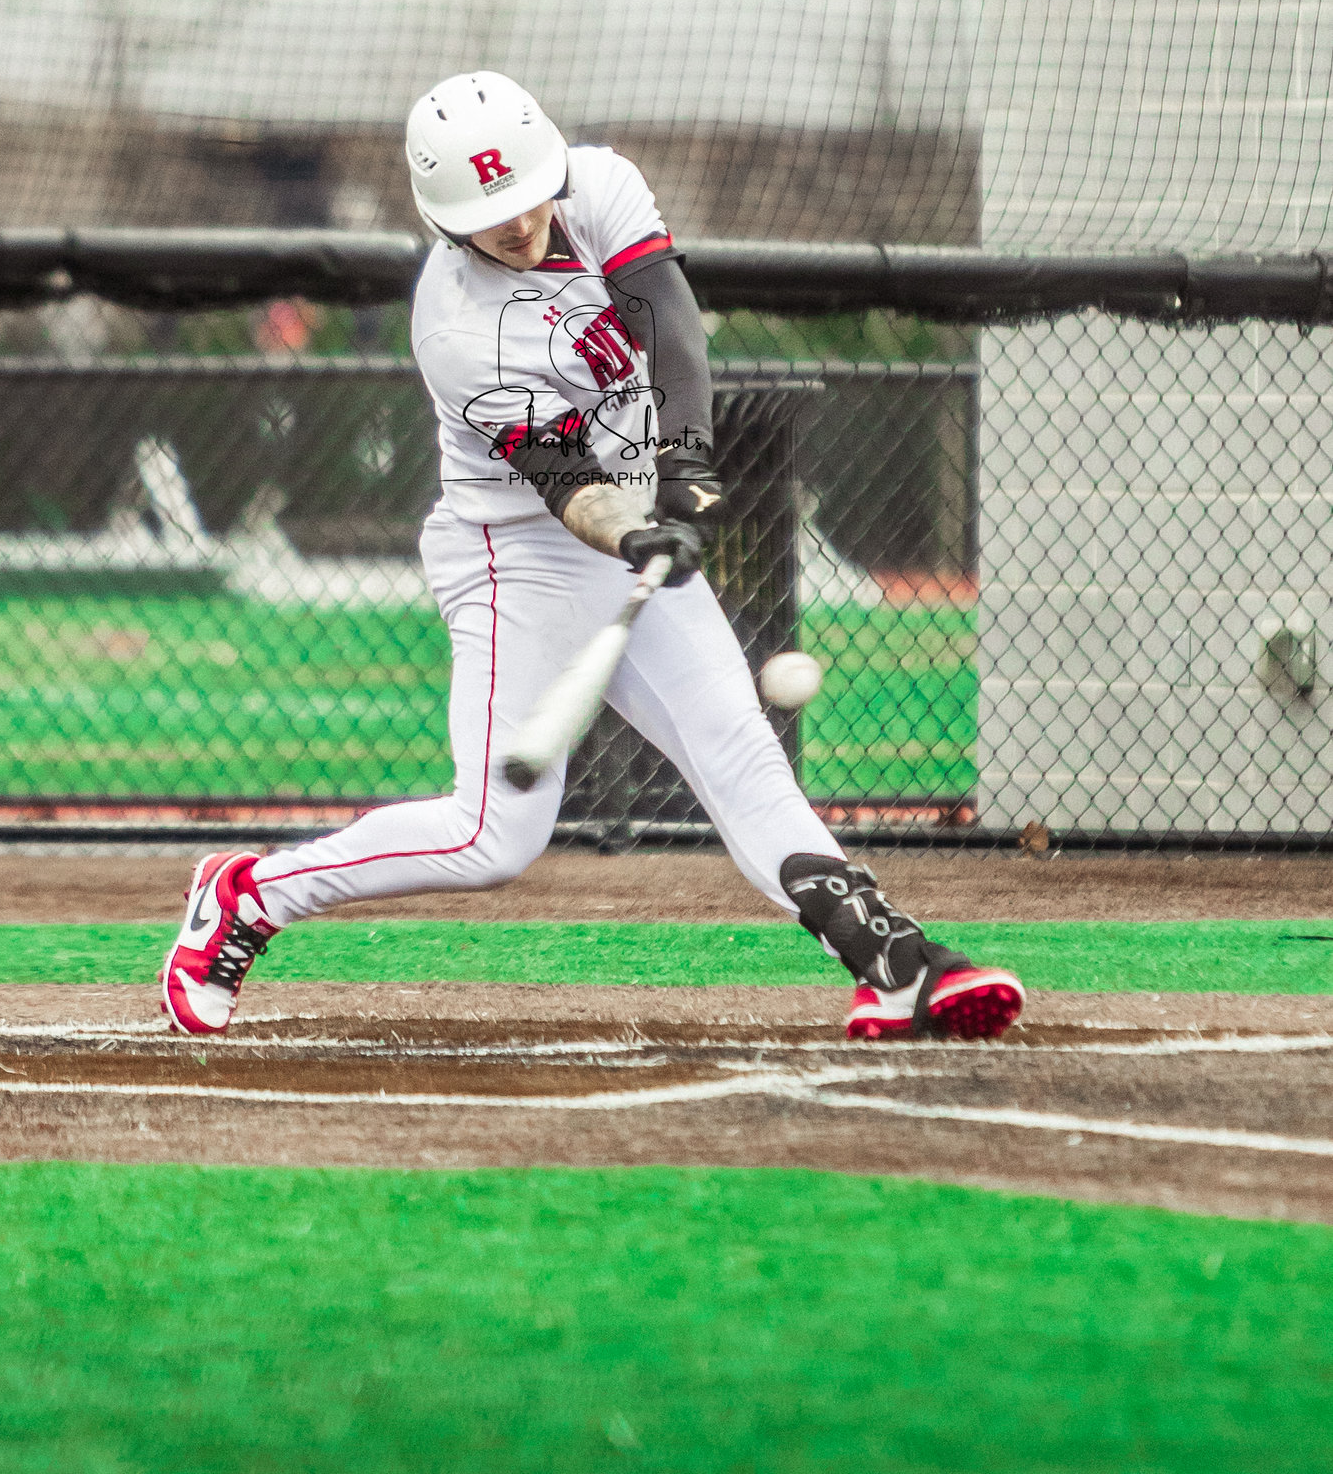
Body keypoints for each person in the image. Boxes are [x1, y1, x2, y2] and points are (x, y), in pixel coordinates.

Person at [162, 71, 1023, 1045]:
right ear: (447, 221)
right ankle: (248, 894)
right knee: (494, 836)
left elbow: (668, 320)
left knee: (739, 746)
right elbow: (564, 480)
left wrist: (688, 461)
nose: (520, 224)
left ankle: (892, 961)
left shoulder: (602, 185)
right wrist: (638, 531)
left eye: (527, 197)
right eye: (492, 216)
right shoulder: (455, 329)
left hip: (631, 521)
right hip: (513, 553)